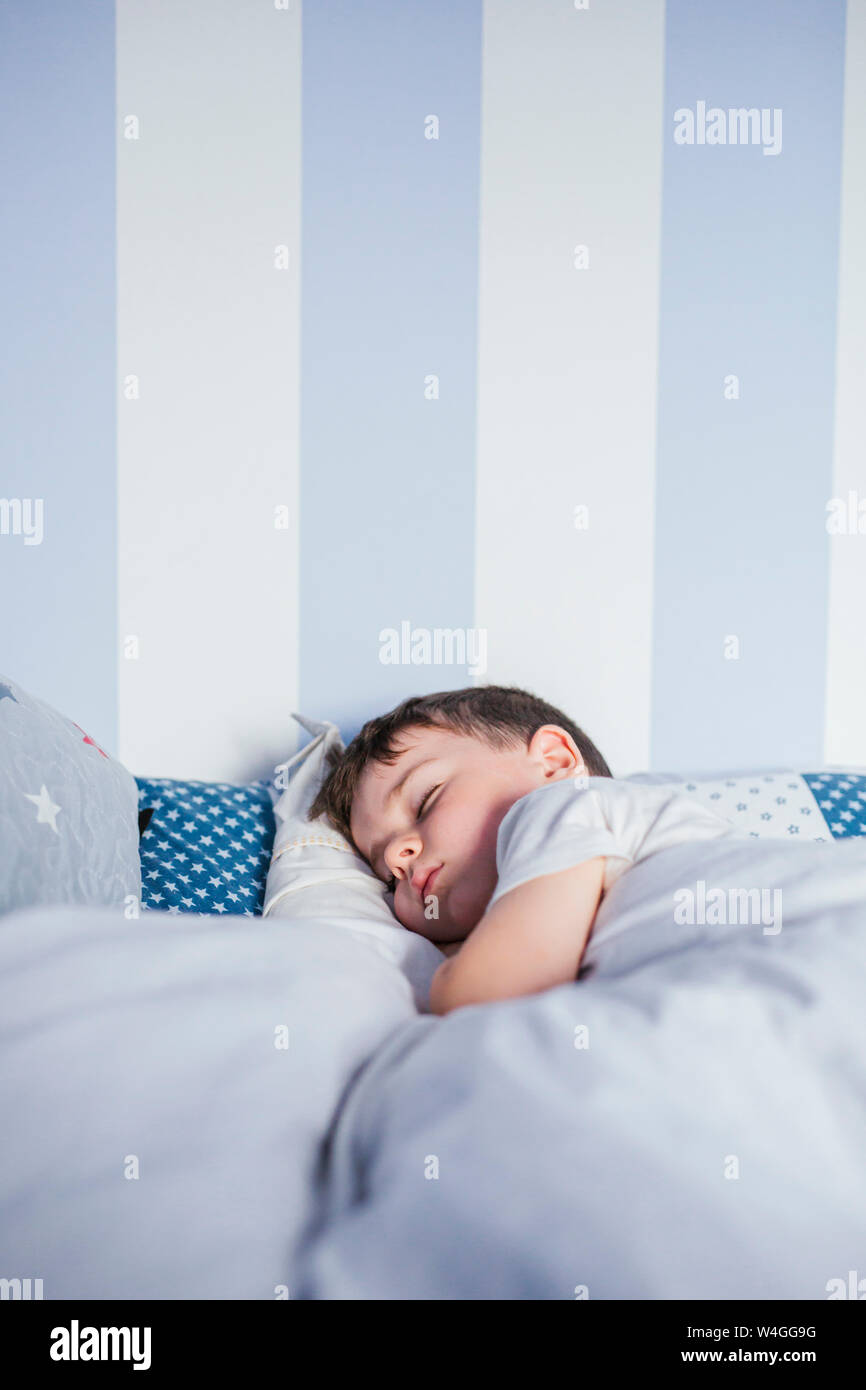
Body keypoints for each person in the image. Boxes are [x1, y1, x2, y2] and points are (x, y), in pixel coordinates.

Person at [309, 685, 736, 1015]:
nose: (397, 856)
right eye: (385, 875)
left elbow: (485, 996)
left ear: (552, 762)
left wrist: (451, 973)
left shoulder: (567, 805)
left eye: (426, 800)